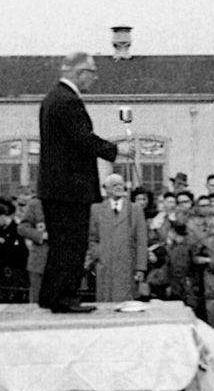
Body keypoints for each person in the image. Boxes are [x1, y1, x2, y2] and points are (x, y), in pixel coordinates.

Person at [37, 53, 130, 313]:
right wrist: (116, 150)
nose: (95, 77)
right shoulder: (68, 101)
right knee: (72, 244)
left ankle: (51, 295)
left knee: (59, 244)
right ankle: (65, 298)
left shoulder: (53, 98)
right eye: (92, 71)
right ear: (79, 73)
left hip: (55, 187)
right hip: (70, 188)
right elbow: (83, 139)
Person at [87, 174, 148, 303]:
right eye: (115, 185)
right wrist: (99, 253)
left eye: (121, 184)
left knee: (126, 303)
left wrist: (141, 267)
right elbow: (92, 237)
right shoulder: (96, 210)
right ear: (106, 189)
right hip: (105, 267)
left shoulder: (135, 209)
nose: (119, 187)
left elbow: (141, 241)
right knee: (105, 303)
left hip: (127, 266)